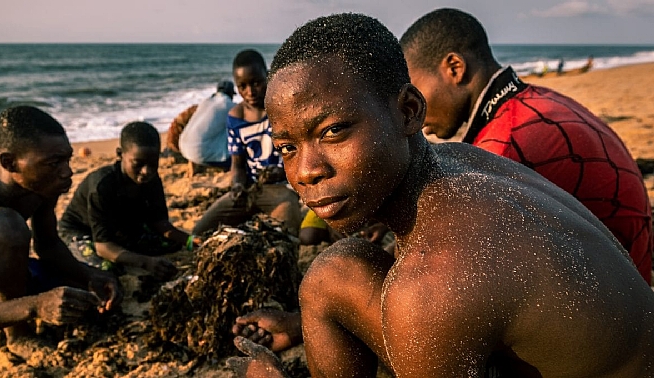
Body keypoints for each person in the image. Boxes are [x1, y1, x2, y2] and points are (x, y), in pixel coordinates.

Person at [226, 13, 654, 377]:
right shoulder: (463, 161)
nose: (306, 171)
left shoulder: (436, 280)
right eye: (287, 147)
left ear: (409, 111)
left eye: (334, 130)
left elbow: (440, 292)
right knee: (332, 273)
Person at [399, 8, 652, 284]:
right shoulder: (536, 100)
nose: (412, 113)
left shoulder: (505, 145)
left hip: (612, 301)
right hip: (632, 273)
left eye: (414, 92)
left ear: (455, 68)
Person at [0, 106, 120, 350]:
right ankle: (17, 335)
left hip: (11, 278)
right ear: (10, 162)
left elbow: (48, 246)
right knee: (7, 225)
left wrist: (90, 275)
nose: (67, 172)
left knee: (84, 296)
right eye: (54, 162)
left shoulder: (40, 186)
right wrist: (36, 305)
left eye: (68, 159)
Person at [58, 121, 198, 281]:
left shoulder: (152, 179)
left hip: (122, 227)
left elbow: (160, 224)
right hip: (83, 231)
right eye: (138, 164)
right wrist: (146, 263)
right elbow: (103, 246)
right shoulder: (102, 186)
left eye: (153, 164)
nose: (146, 171)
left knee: (170, 244)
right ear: (120, 154)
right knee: (106, 270)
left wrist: (190, 240)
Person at [192, 49, 302, 236]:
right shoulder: (236, 117)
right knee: (200, 231)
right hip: (251, 188)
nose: (250, 92)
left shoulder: (282, 110)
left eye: (256, 83)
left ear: (268, 76)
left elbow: (301, 153)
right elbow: (237, 163)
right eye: (242, 86)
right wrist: (237, 185)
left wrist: (281, 171)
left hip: (282, 187)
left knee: (285, 230)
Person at [179, 80, 236, 176]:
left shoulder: (206, 101)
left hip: (184, 148)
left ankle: (194, 162)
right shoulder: (227, 104)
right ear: (230, 93)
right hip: (200, 153)